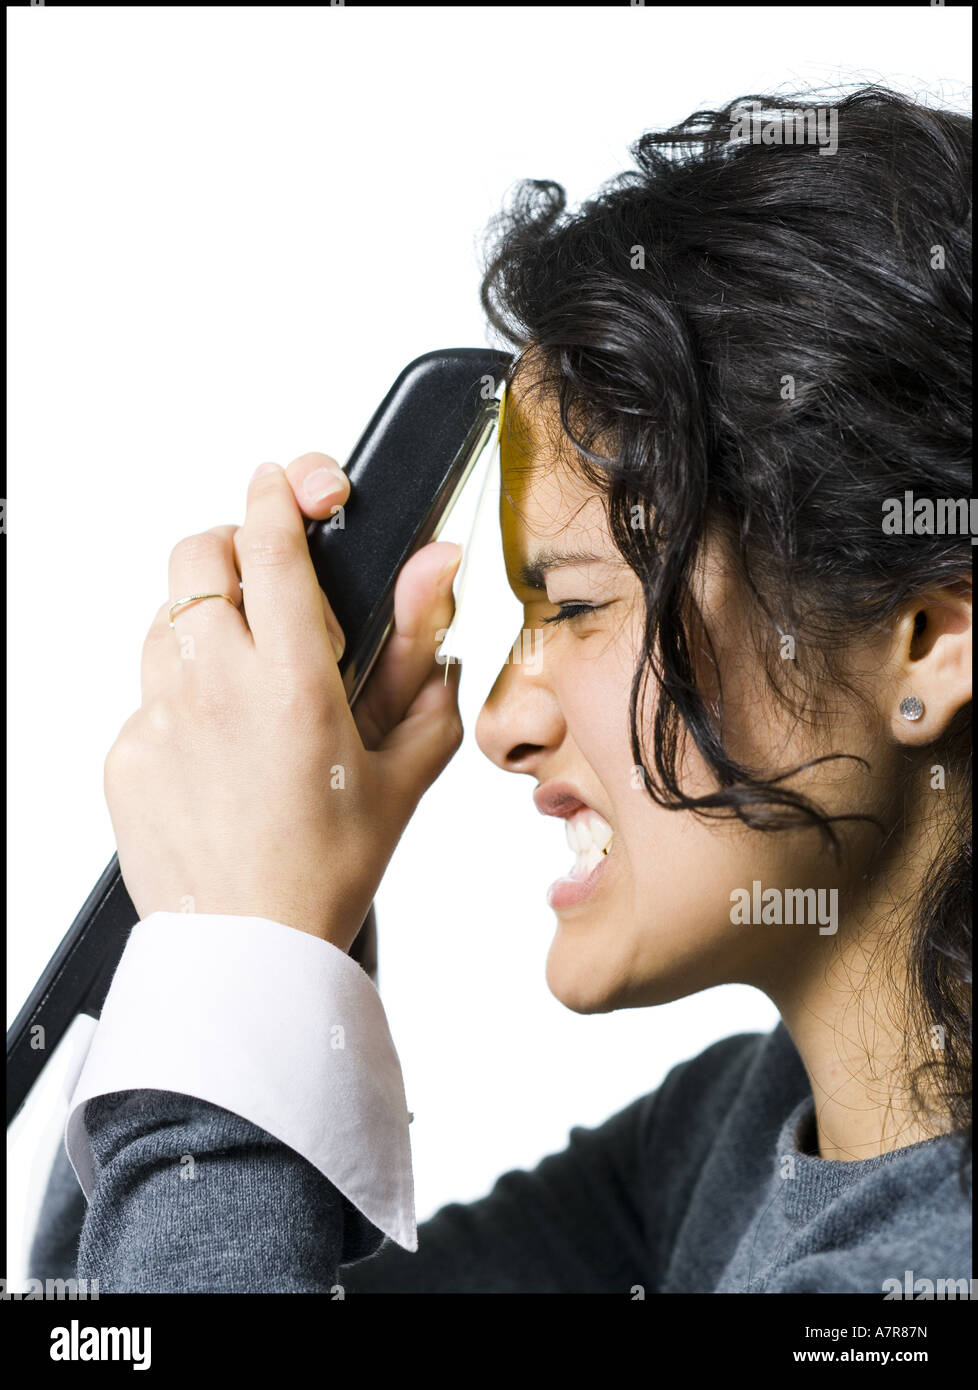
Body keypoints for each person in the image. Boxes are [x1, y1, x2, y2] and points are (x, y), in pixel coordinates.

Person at [28, 86, 971, 1294]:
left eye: (576, 606)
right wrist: (226, 908)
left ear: (930, 637)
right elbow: (129, 1290)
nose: (503, 723)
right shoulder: (728, 1143)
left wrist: (244, 950)